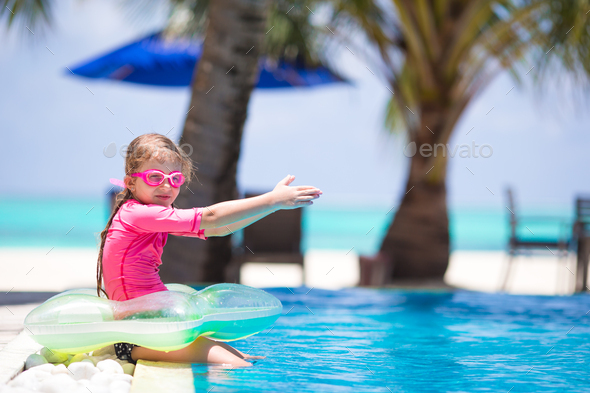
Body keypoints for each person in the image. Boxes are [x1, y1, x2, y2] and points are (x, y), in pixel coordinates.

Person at [97, 133, 322, 367]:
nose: (166, 185)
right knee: (235, 365)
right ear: (131, 182)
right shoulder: (138, 214)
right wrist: (271, 200)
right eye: (155, 177)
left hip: (154, 326)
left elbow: (219, 228)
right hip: (137, 335)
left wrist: (273, 207)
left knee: (243, 358)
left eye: (174, 178)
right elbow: (212, 218)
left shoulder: (151, 215)